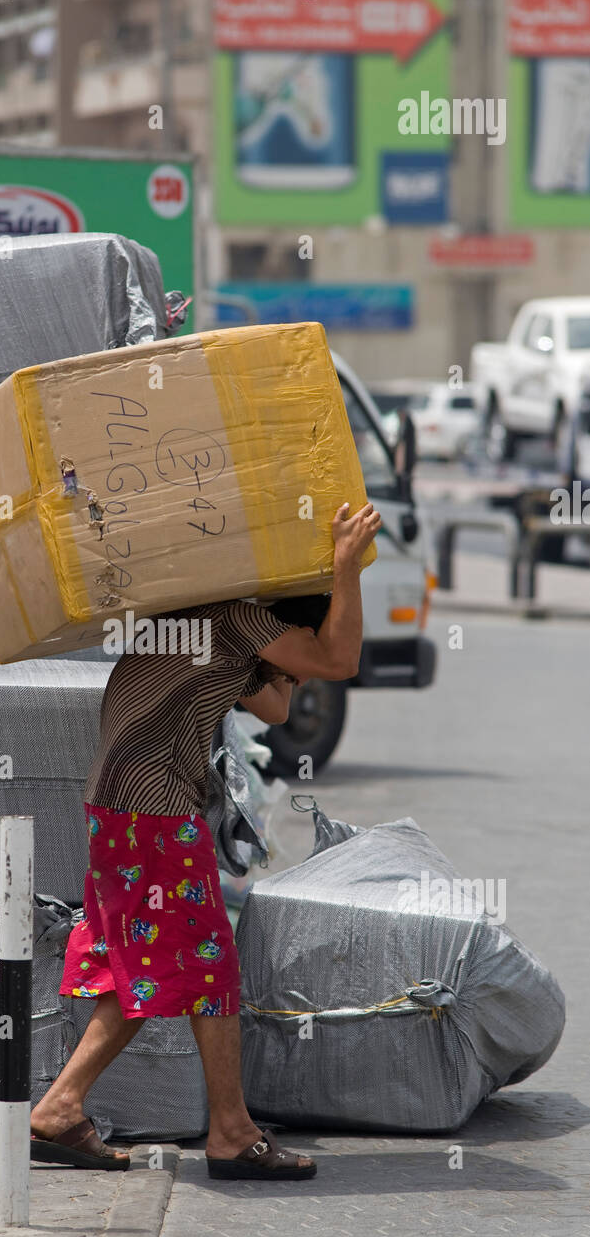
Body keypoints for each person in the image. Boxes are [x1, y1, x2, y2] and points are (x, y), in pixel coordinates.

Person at [30, 499, 380, 1179]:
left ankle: (61, 1110)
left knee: (147, 967)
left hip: (120, 806)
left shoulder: (209, 620)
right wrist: (345, 565)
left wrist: (283, 659)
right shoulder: (240, 620)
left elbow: (275, 706)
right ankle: (229, 1131)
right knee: (206, 965)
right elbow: (337, 658)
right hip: (154, 807)